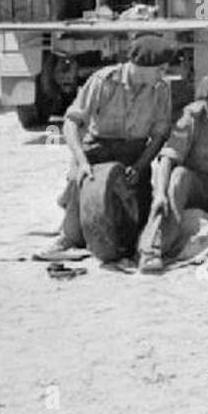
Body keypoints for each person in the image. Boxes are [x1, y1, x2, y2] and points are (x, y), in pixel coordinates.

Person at [44, 36, 176, 258]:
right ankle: (66, 237)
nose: (164, 73)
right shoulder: (103, 81)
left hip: (133, 154)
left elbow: (159, 135)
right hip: (97, 149)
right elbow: (70, 124)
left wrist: (141, 166)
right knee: (81, 197)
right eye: (160, 69)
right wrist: (83, 163)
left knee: (137, 225)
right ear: (142, 67)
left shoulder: (161, 89)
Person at [137, 69, 208, 272]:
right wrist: (160, 193)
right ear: (206, 103)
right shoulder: (192, 117)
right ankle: (152, 250)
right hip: (197, 186)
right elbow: (167, 158)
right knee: (179, 177)